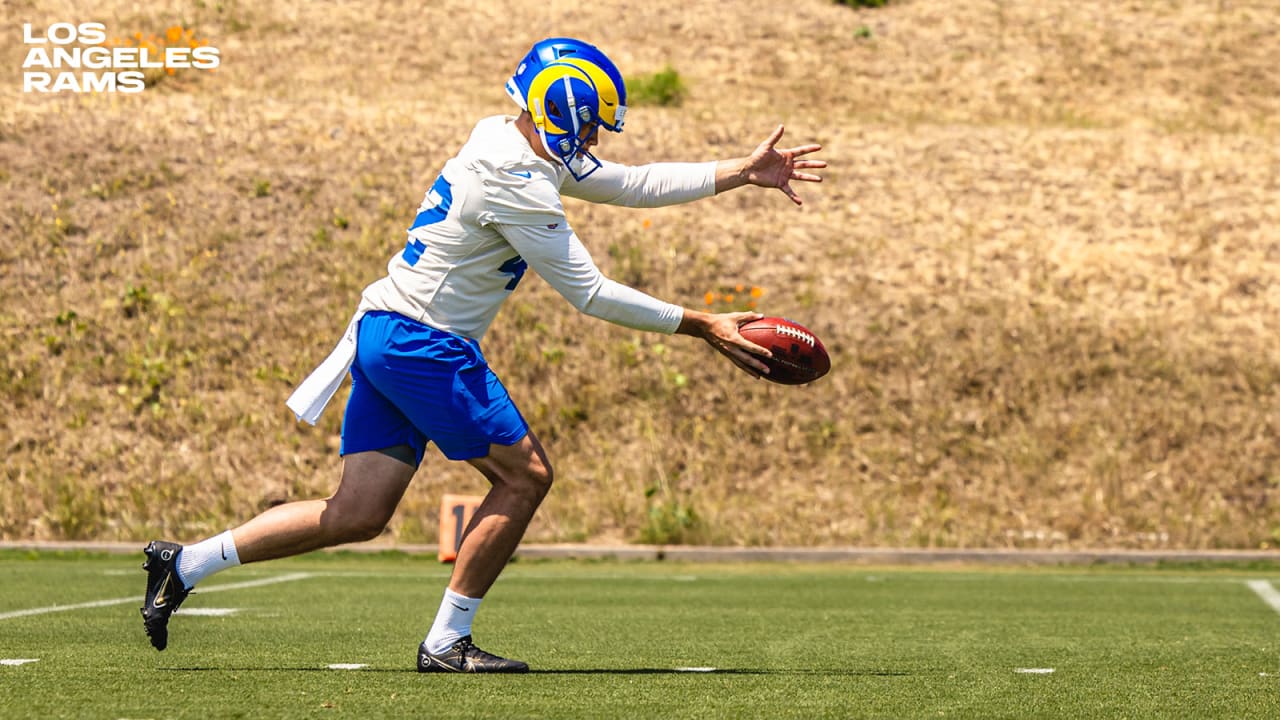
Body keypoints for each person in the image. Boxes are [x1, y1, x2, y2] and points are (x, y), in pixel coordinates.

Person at [140, 37, 825, 672]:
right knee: (526, 477)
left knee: (356, 513)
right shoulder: (516, 178)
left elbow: (627, 182)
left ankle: (188, 563)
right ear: (557, 112)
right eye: (586, 126)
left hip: (389, 329)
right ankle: (446, 641)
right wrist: (704, 325)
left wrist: (740, 172)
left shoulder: (505, 134)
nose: (589, 141)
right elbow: (588, 293)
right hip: (423, 344)